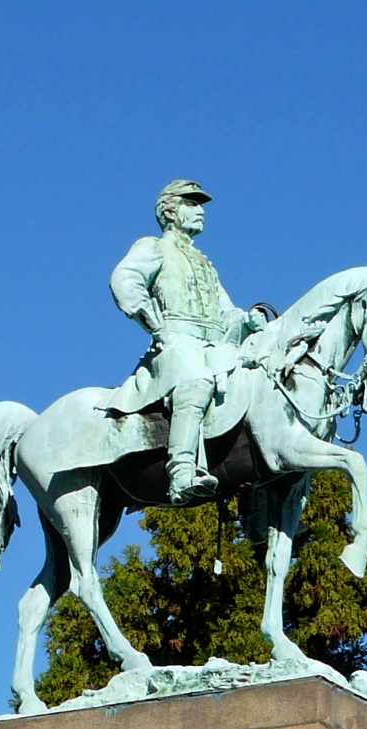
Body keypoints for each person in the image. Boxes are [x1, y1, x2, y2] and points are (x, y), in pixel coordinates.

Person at [109, 180, 267, 504]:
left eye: (200, 205)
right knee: (196, 382)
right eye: (191, 204)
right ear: (170, 211)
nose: (201, 212)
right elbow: (125, 279)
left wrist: (246, 321)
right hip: (176, 344)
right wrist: (155, 325)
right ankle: (181, 471)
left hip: (214, 348)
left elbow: (225, 312)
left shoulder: (204, 263)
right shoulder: (154, 247)